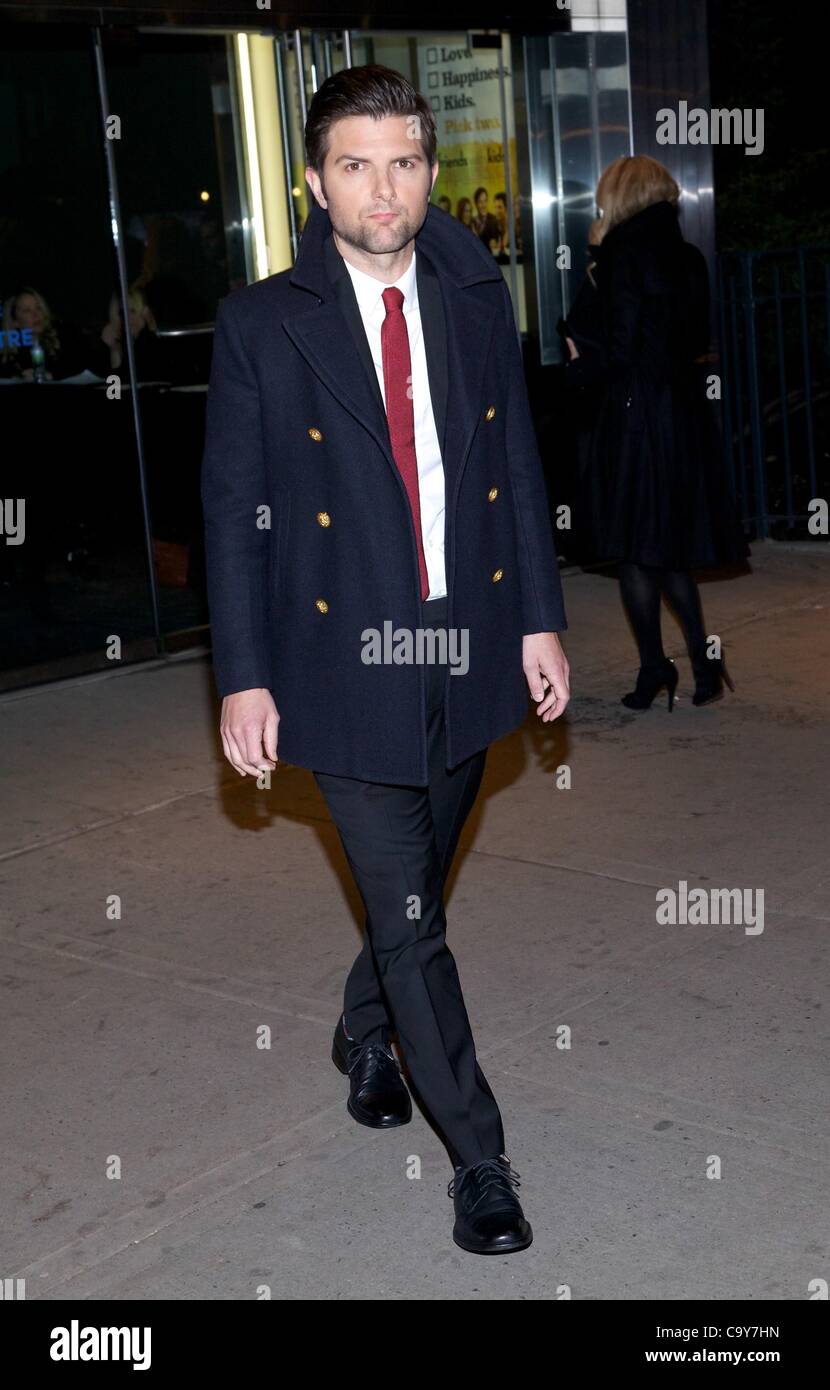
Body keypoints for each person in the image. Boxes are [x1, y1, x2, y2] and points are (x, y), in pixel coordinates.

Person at [200, 63, 570, 1255]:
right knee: (413, 915)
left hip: (462, 639)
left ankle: (366, 1028)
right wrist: (242, 676)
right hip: (334, 652)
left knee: (416, 882)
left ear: (427, 170)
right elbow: (231, 505)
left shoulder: (472, 297)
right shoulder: (265, 321)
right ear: (315, 183)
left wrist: (537, 619)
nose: (382, 188)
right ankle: (480, 1158)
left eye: (404, 161)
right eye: (354, 165)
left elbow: (511, 470)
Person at [560, 155, 749, 708]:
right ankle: (702, 665)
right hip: (682, 417)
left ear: (620, 196)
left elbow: (617, 350)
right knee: (666, 549)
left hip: (634, 416)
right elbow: (692, 339)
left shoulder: (620, 256)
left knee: (637, 552)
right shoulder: (689, 257)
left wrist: (577, 363)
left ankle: (654, 669)